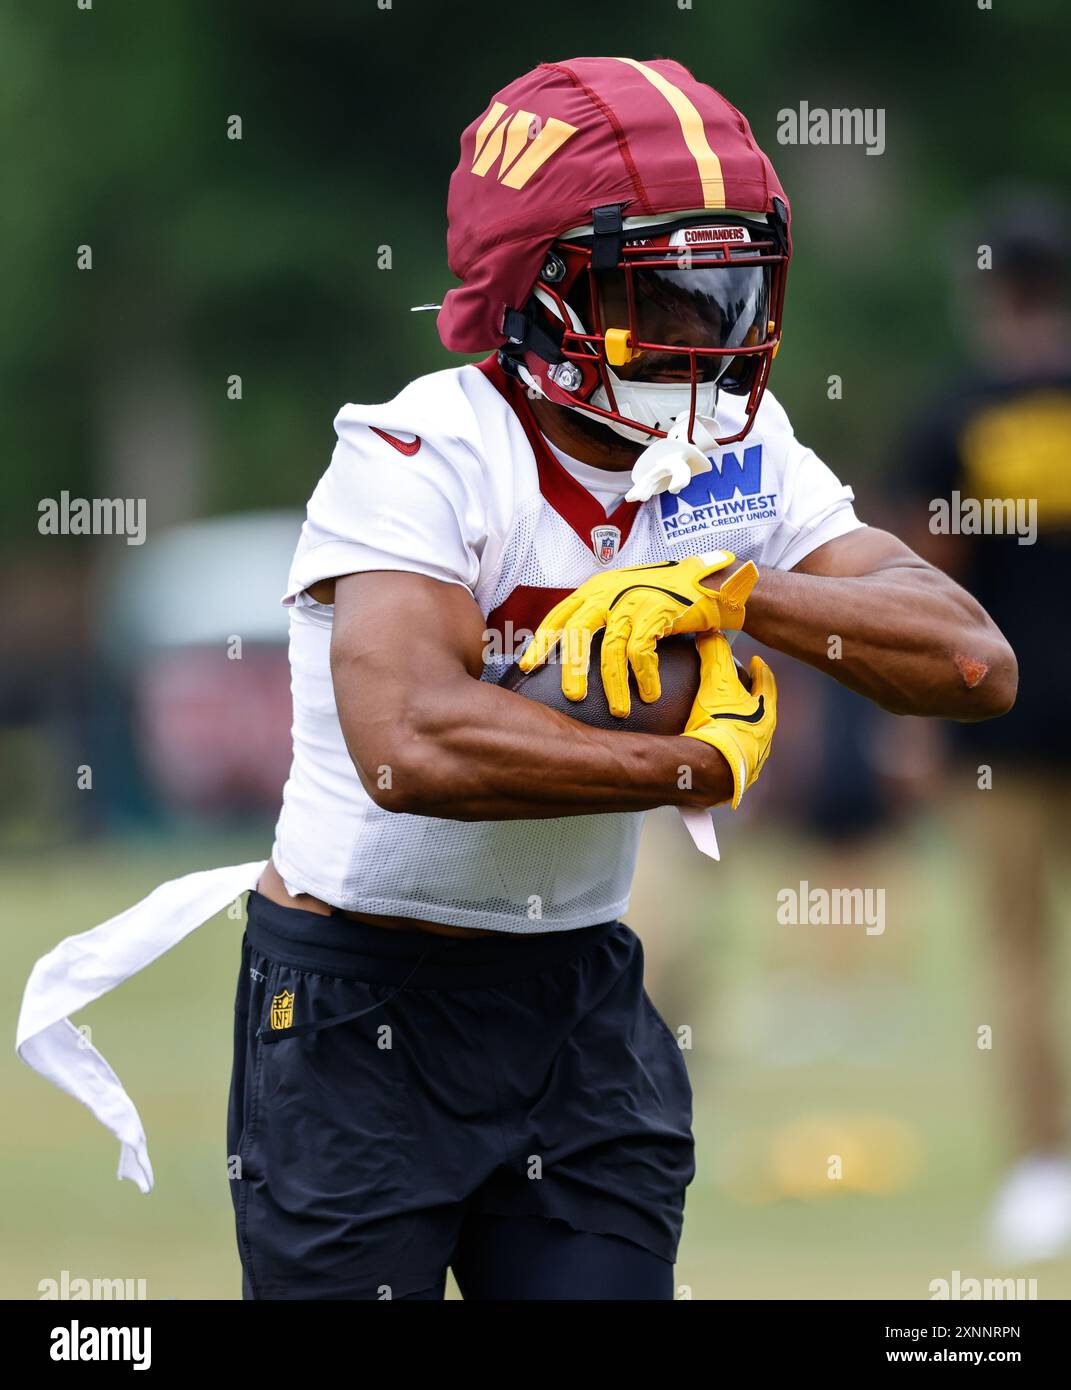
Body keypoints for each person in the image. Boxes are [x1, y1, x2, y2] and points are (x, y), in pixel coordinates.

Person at [17, 57, 1016, 1301]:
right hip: (358, 1003)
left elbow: (972, 660)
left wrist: (737, 591)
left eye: (730, 282)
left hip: (577, 997)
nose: (708, 327)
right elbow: (410, 749)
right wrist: (687, 767)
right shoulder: (423, 452)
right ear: (540, 288)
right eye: (657, 289)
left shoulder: (740, 451)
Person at [900, 191, 1071, 1262]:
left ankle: (1045, 1169)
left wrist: (910, 724)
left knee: (1015, 956)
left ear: (986, 291)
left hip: (997, 719)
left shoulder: (953, 409)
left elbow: (928, 579)